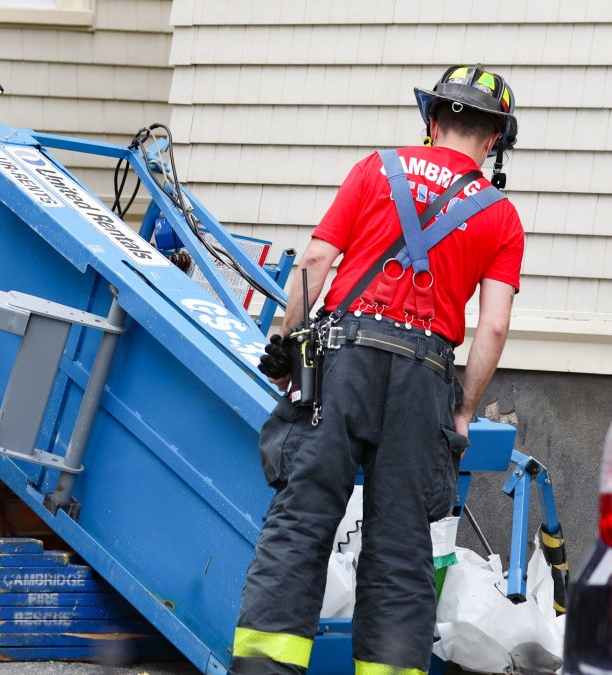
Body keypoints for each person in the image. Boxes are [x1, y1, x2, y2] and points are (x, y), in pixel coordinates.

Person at [231, 65, 525, 673]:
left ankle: (263, 666)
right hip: (424, 380)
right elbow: (493, 327)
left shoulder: (375, 169)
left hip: (339, 365)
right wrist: (464, 412)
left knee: (303, 519)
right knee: (400, 547)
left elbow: (315, 259)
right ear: (494, 139)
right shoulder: (501, 216)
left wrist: (287, 345)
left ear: (432, 119)